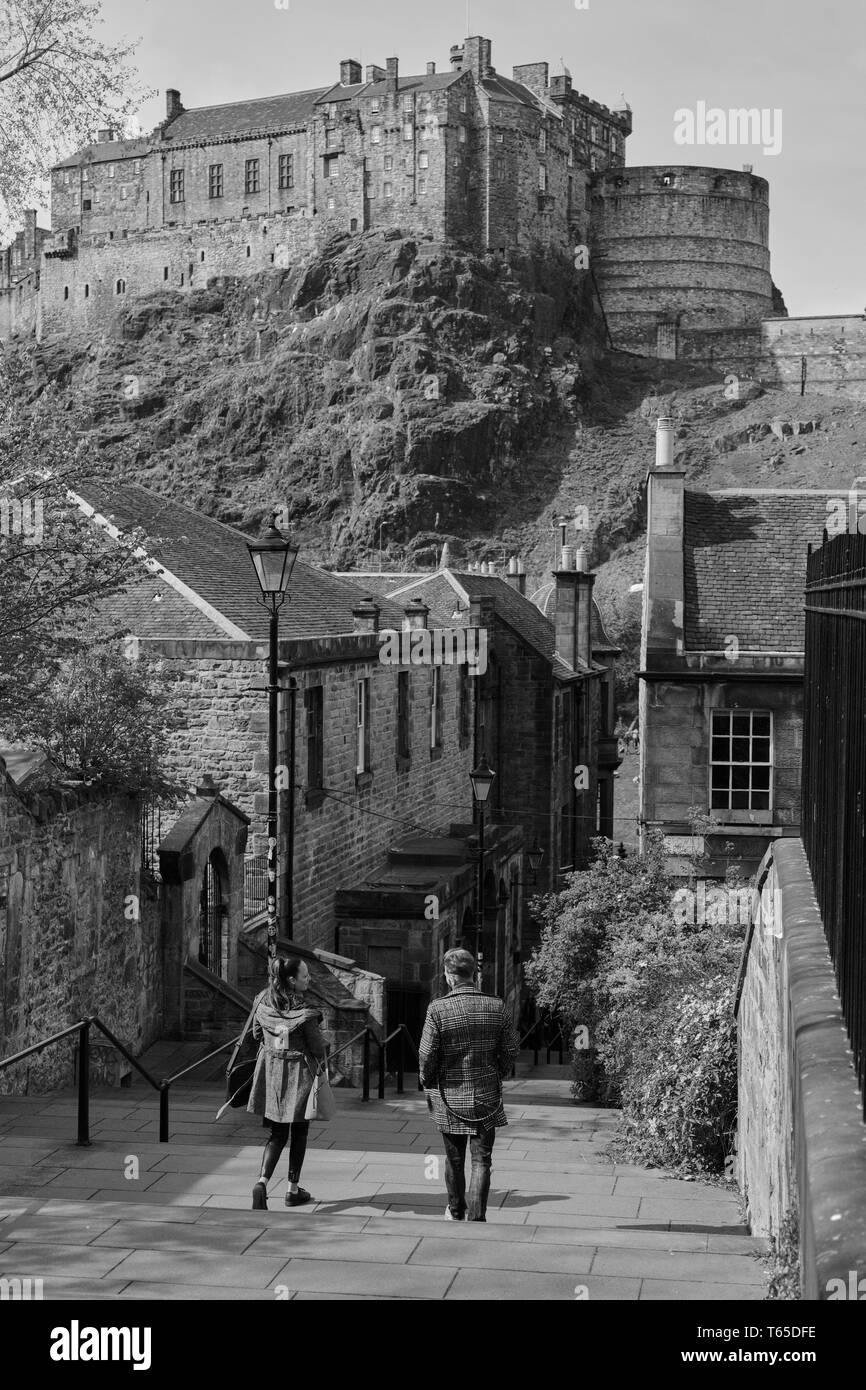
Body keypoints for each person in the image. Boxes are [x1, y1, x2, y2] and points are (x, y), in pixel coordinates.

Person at [419, 948, 519, 1222]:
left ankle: (455, 1211)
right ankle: (477, 1218)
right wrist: (496, 1072)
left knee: (454, 1160)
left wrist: (428, 1081)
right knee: (482, 1160)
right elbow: (511, 1049)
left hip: (450, 1095)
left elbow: (427, 1054)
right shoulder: (496, 1005)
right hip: (487, 1093)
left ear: (449, 977)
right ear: (474, 973)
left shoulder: (438, 1009)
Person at [247, 955, 327, 1211]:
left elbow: (257, 1035)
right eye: (305, 976)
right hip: (299, 1075)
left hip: (271, 1074)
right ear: (291, 980)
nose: (309, 979)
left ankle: (262, 1181)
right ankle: (292, 1190)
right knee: (299, 1133)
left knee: (277, 1134)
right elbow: (317, 1047)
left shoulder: (262, 1001)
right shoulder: (305, 1013)